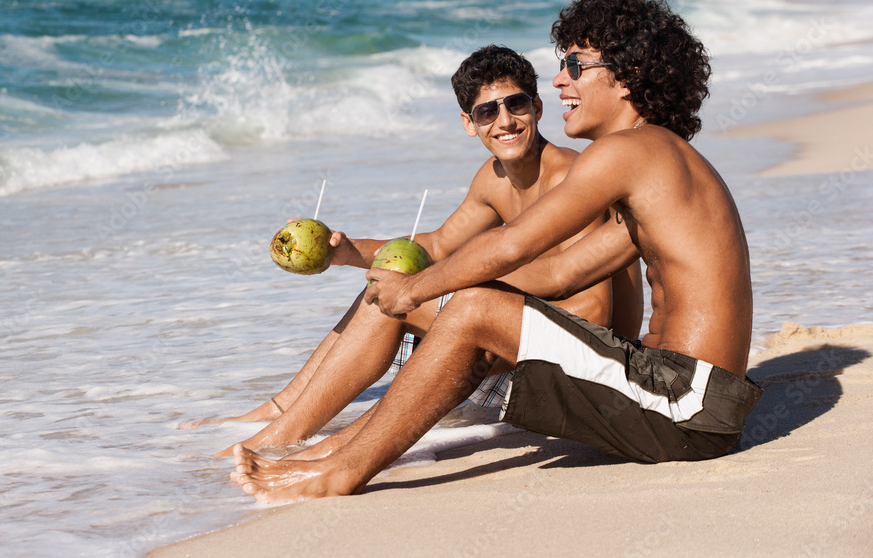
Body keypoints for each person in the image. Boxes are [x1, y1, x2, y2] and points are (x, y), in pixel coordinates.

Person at [231, 0, 763, 501]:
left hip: (685, 405)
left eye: (576, 65)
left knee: (473, 310)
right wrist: (428, 283)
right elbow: (560, 274)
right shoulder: (661, 158)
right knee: (472, 304)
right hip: (697, 404)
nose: (558, 82)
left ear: (627, 77)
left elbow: (513, 247)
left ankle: (341, 469)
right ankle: (334, 448)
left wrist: (416, 291)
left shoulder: (625, 153)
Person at [182, 44, 644, 458]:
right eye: (487, 112)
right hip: (521, 355)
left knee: (394, 302)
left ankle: (280, 437)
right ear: (469, 123)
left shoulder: (571, 178)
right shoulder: (493, 179)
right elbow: (439, 245)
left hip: (585, 376)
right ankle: (279, 412)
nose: (504, 121)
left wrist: (468, 302)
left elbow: (595, 313)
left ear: (537, 106)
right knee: (385, 285)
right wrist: (344, 251)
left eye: (516, 104)